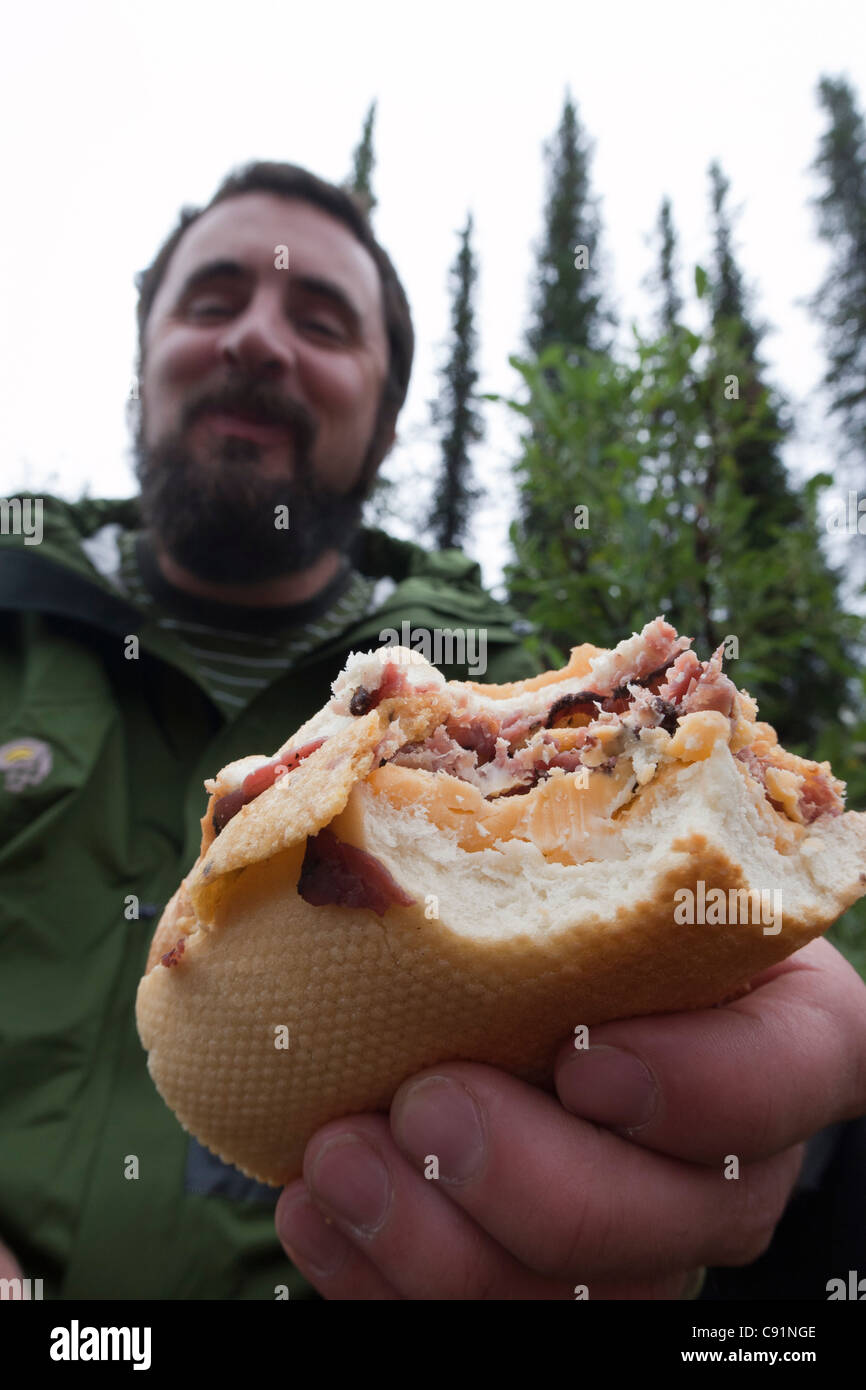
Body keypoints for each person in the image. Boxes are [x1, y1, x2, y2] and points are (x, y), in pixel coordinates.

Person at [1, 161, 864, 1302]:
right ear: (144, 352)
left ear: (386, 409)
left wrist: (794, 1150)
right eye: (212, 301)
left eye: (320, 321)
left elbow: (781, 1133)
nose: (258, 340)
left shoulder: (517, 691)